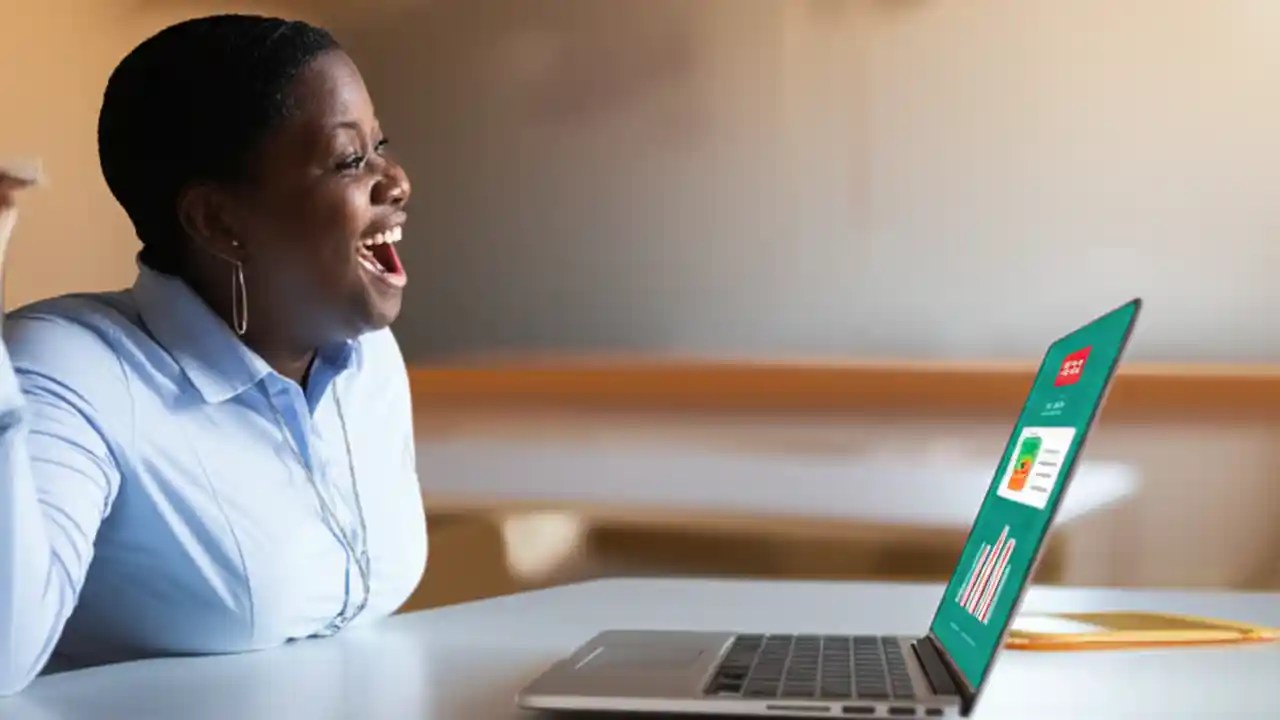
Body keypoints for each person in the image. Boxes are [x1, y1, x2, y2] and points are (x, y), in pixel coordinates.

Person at [0, 14, 425, 695]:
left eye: (380, 146)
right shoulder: (69, 367)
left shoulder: (366, 361)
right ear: (218, 221)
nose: (396, 180)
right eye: (350, 160)